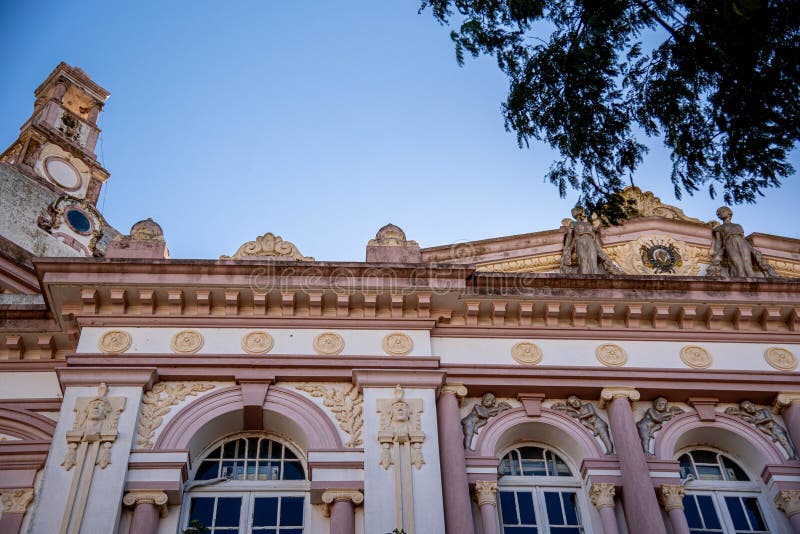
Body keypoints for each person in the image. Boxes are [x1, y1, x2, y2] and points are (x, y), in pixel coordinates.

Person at [708, 206, 776, 278]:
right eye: (718, 213)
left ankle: (752, 281)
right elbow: (718, 242)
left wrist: (751, 249)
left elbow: (743, 237)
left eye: (722, 211)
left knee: (747, 264)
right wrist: (716, 254)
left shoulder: (738, 226)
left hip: (743, 243)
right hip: (729, 243)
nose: (719, 214)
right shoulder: (719, 228)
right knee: (737, 264)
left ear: (729, 212)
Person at [560, 207, 621, 275]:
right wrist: (566, 247)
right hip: (580, 241)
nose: (584, 213)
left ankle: (595, 276)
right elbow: (569, 236)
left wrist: (599, 249)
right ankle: (583, 276)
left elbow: (594, 237)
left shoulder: (589, 224)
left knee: (593, 259)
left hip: (591, 241)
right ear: (579, 213)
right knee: (583, 259)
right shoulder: (573, 224)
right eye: (582, 212)